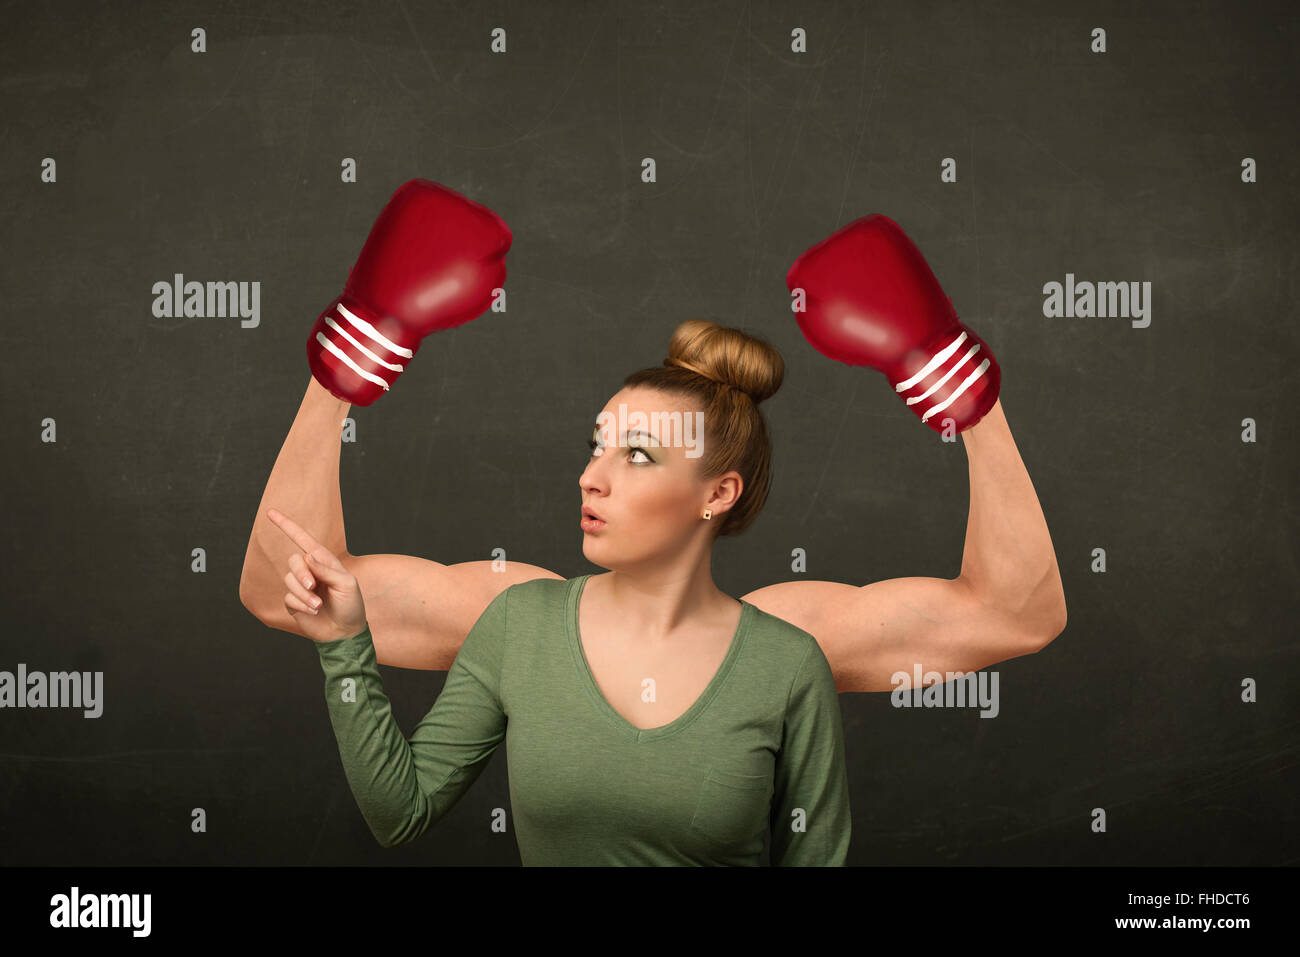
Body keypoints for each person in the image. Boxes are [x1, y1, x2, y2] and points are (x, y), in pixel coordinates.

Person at [239, 181, 1068, 865]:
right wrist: (342, 369)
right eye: (597, 445)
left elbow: (1017, 611)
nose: (590, 476)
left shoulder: (789, 648)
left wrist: (964, 395)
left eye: (636, 455)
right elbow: (285, 588)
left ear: (718, 493)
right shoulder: (519, 621)